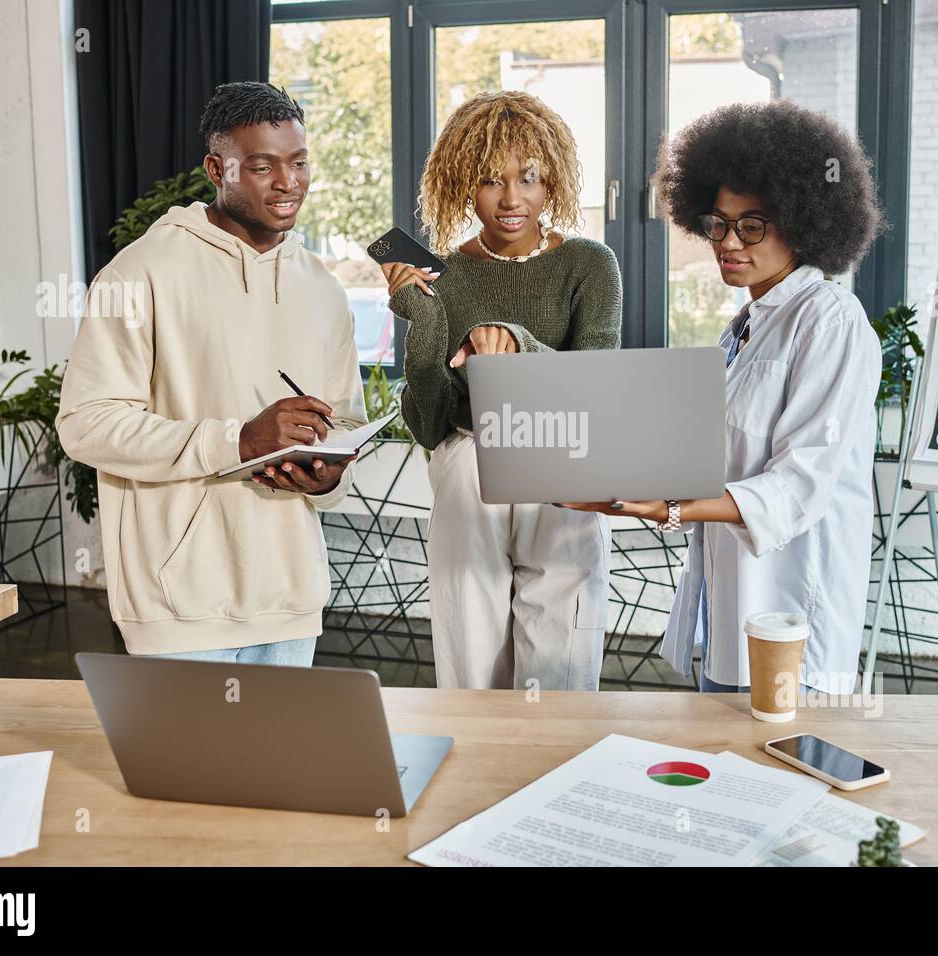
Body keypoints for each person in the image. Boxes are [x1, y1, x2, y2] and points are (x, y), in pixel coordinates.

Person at [563, 100, 883, 696]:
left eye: (752, 225)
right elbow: (712, 458)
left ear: (805, 221)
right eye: (718, 223)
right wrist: (613, 483)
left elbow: (797, 486)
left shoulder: (829, 321)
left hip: (792, 606)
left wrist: (672, 507)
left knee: (784, 771)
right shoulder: (745, 325)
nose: (728, 242)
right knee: (733, 772)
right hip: (732, 600)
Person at [57, 81, 367, 667]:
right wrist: (238, 440)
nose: (287, 182)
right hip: (178, 605)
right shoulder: (139, 273)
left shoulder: (323, 289)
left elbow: (345, 420)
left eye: (299, 163)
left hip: (291, 597)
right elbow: (86, 425)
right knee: (186, 765)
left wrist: (327, 478)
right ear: (216, 168)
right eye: (261, 166)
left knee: (278, 763)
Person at [381, 91, 622, 691]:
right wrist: (422, 317)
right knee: (469, 647)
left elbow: (596, 386)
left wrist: (516, 344)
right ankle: (478, 774)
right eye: (490, 180)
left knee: (559, 651)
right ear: (463, 183)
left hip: (563, 457)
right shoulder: (446, 273)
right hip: (470, 458)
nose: (511, 199)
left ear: (553, 181)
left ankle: (556, 770)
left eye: (529, 178)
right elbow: (430, 421)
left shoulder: (591, 265)